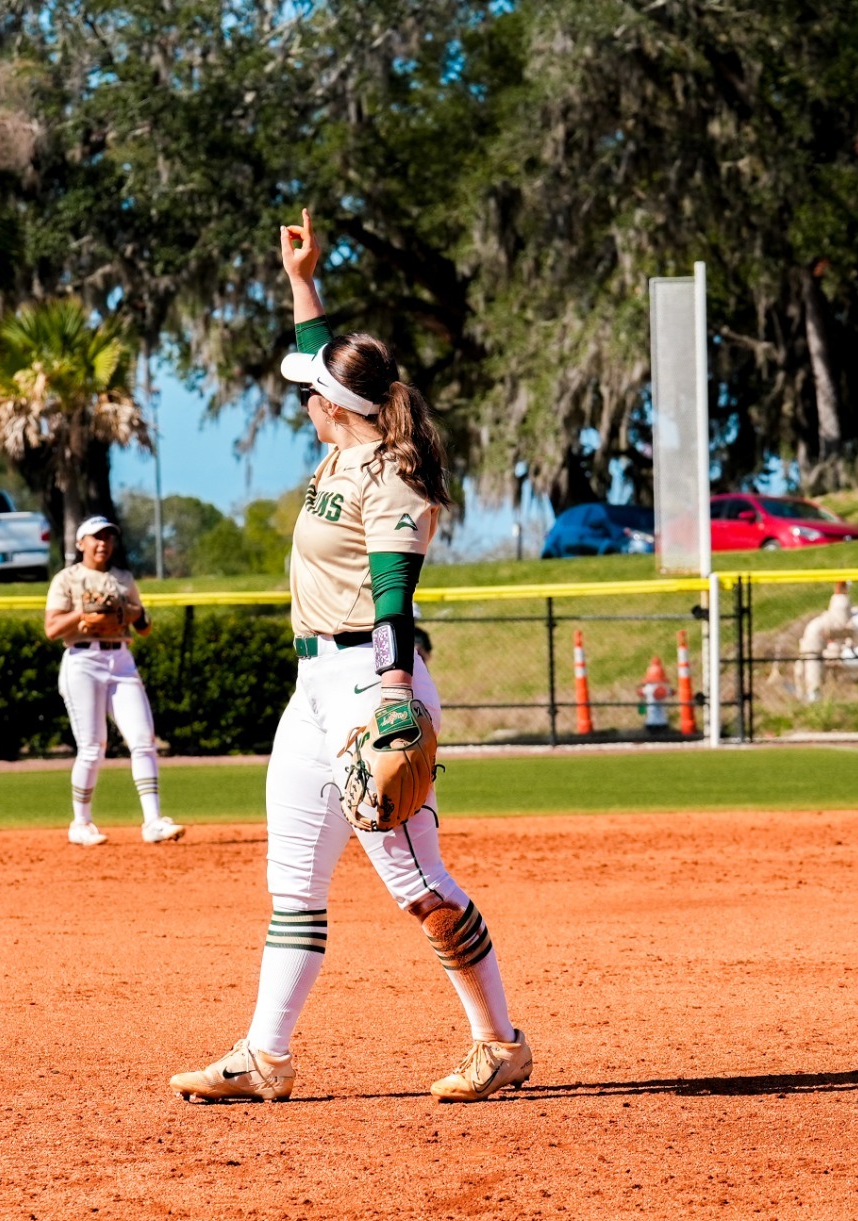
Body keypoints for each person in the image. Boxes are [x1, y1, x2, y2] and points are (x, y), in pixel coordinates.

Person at [170, 209, 529, 1105]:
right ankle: (265, 1053)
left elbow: (395, 599)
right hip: (311, 691)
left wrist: (398, 696)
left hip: (373, 687)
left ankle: (500, 1041)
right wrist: (302, 280)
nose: (301, 400)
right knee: (292, 878)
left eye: (310, 392)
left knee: (417, 881)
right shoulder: (342, 448)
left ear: (341, 408)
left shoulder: (392, 479)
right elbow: (321, 350)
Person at [43, 515, 185, 846]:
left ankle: (153, 821)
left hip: (121, 658)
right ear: (81, 544)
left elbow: (145, 627)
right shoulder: (67, 579)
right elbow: (51, 629)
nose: (103, 542)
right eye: (96, 537)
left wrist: (134, 612)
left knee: (143, 738)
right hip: (83, 660)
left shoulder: (123, 579)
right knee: (93, 746)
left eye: (108, 536)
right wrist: (82, 614)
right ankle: (81, 823)